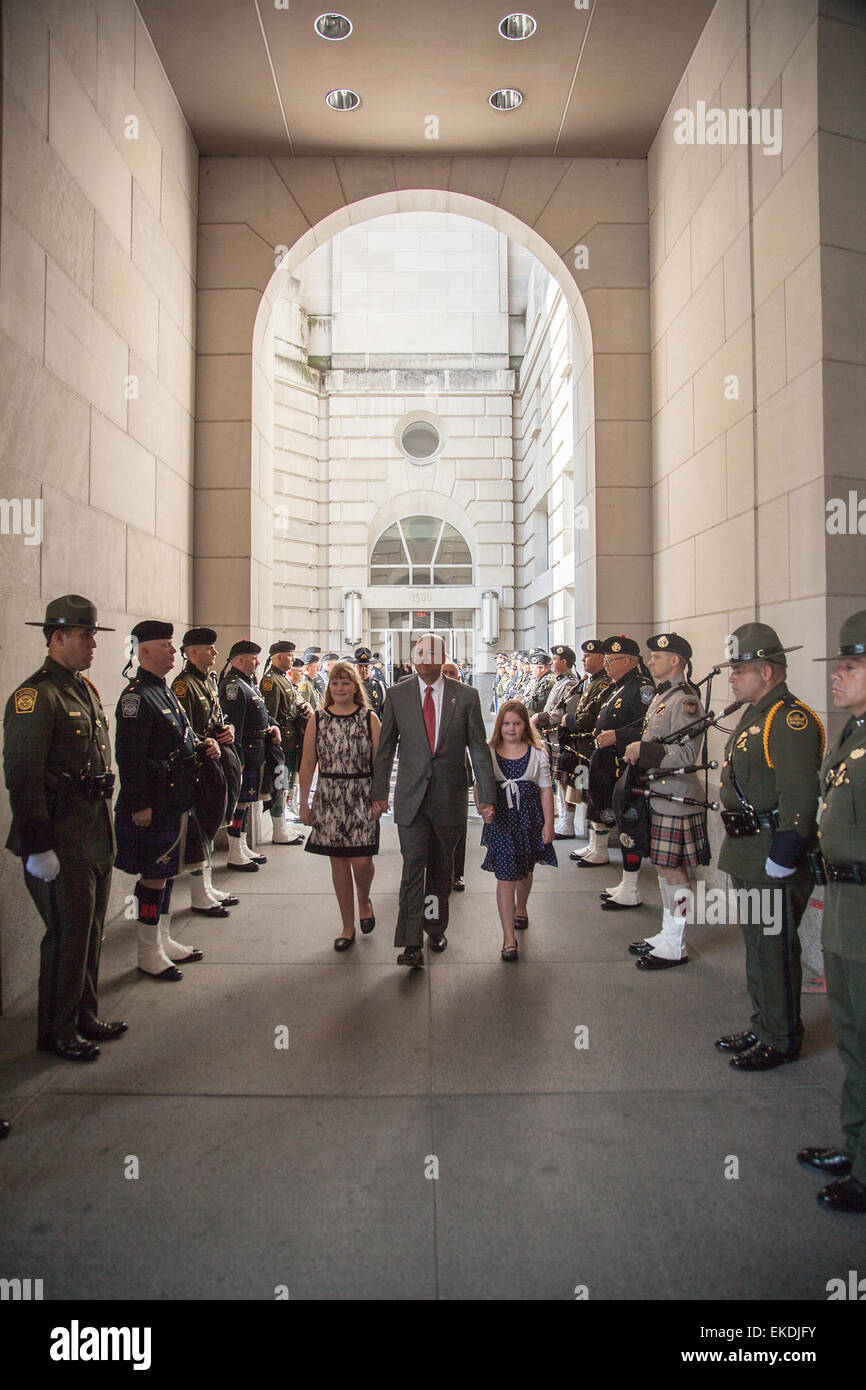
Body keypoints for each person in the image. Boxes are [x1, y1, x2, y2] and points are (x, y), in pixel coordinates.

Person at [4, 595, 123, 1061]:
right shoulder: (36, 695)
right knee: (67, 934)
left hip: (92, 828)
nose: (94, 643)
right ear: (58, 638)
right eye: (86, 634)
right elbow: (23, 772)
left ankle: (82, 1015)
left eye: (94, 633)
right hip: (57, 834)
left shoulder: (83, 689)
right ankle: (56, 1031)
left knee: (91, 931)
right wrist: (37, 845)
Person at [715, 622, 823, 1071]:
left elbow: (800, 794)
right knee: (759, 946)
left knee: (774, 949)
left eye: (740, 669)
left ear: (769, 671)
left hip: (770, 851)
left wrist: (785, 854)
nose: (732, 677)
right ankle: (764, 1023)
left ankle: (780, 1037)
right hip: (748, 849)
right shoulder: (758, 713)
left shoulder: (788, 718)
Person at [371, 633, 497, 968]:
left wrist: (485, 795)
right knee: (413, 867)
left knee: (441, 871)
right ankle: (411, 941)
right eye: (419, 652)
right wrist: (379, 793)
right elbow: (384, 750)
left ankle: (435, 927)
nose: (425, 658)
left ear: (444, 657)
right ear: (413, 657)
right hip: (411, 799)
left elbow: (479, 751)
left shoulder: (465, 696)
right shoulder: (397, 695)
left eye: (432, 652)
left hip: (449, 799)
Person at [797, 612, 866, 1211]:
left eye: (850, 666)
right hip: (845, 902)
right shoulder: (850, 732)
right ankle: (859, 1145)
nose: (837, 676)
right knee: (852, 1035)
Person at [115, 621, 219, 981]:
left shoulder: (163, 690)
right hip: (154, 803)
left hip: (175, 798)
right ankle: (147, 951)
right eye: (165, 646)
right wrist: (139, 804)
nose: (173, 652)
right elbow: (129, 756)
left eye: (174, 646)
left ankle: (162, 938)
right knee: (154, 877)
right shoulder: (136, 697)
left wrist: (205, 743)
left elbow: (180, 735)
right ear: (143, 651)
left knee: (167, 872)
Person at [623, 633, 708, 962]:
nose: (652, 660)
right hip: (658, 793)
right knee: (663, 868)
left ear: (676, 661)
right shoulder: (664, 697)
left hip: (676, 796)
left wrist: (644, 750)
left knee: (675, 872)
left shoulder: (686, 700)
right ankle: (667, 932)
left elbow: (688, 754)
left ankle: (678, 941)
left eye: (658, 656)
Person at [299, 661, 381, 950]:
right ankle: (347, 926)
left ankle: (365, 900)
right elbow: (308, 763)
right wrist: (304, 803)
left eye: (345, 682)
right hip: (330, 796)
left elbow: (379, 763)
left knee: (362, 862)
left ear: (355, 687)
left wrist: (380, 799)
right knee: (339, 864)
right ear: (329, 687)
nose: (340, 688)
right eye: (335, 683)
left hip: (361, 794)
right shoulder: (318, 719)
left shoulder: (368, 718)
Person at [171, 627, 241, 916]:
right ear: (193, 652)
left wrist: (229, 730)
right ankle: (199, 893)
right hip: (199, 766)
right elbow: (183, 730)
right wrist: (205, 742)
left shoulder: (209, 680)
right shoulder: (183, 685)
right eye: (209, 648)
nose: (214, 652)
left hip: (216, 762)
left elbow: (216, 718)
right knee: (200, 830)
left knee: (210, 825)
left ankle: (208, 886)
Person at [480, 700, 556, 961]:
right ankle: (508, 937)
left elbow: (546, 789)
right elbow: (482, 784)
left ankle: (521, 906)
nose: (511, 728)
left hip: (529, 819)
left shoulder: (537, 752)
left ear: (525, 726)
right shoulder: (489, 752)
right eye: (506, 723)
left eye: (517, 723)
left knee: (525, 871)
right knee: (506, 876)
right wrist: (484, 808)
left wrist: (549, 823)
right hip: (501, 821)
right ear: (499, 725)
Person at [576, 636, 655, 879]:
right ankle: (597, 847)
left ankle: (630, 881)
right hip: (606, 761)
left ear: (629, 661)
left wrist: (617, 736)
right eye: (606, 659)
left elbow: (648, 728)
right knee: (599, 800)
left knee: (627, 820)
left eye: (611, 660)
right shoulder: (617, 686)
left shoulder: (642, 688)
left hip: (625, 763)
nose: (607, 664)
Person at [218, 640, 281, 871]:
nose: (257, 662)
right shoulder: (233, 686)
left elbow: (261, 713)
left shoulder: (248, 683)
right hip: (246, 753)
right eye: (253, 658)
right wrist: (239, 760)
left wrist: (272, 725)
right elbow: (235, 726)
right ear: (240, 660)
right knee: (240, 803)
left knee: (245, 803)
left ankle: (242, 845)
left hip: (256, 751)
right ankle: (235, 850)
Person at [531, 644, 583, 837]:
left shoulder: (571, 683)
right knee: (558, 780)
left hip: (561, 738)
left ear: (564, 661)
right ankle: (563, 819)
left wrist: (538, 718)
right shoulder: (561, 682)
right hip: (551, 738)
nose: (552, 662)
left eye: (555, 659)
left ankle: (568, 822)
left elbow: (561, 713)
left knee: (565, 781)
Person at [260, 641, 306, 845]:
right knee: (279, 784)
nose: (292, 659)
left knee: (286, 782)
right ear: (277, 657)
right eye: (289, 655)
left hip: (291, 739)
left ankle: (282, 824)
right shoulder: (270, 681)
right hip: (281, 741)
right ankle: (278, 826)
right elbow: (271, 715)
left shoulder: (283, 679)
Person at [442, 660, 471, 890]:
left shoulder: (466, 698)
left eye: (453, 673)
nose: (449, 676)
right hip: (431, 776)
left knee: (458, 826)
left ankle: (457, 873)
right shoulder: (427, 699)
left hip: (458, 771)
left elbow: (477, 742)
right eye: (445, 673)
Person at [354, 646, 384, 717]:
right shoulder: (348, 687)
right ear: (354, 666)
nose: (363, 669)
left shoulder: (380, 687)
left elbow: (385, 715)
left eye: (366, 666)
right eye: (360, 666)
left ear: (371, 666)